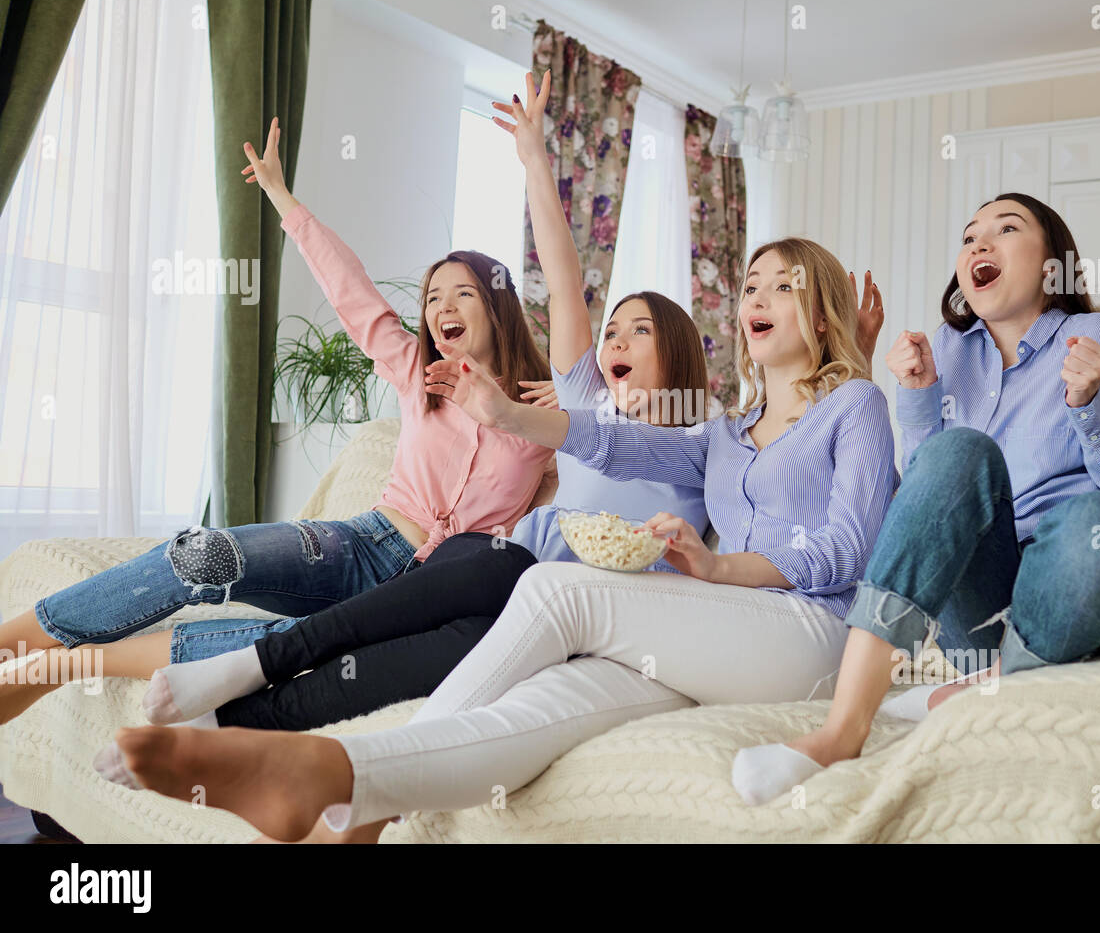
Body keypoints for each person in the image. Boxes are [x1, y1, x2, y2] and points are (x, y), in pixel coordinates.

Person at [104, 227, 898, 843]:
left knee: (554, 587)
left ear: (821, 313)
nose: (754, 294)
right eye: (749, 282)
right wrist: (510, 415)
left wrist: (719, 566)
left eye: (779, 286)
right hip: (714, 644)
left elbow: (847, 552)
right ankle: (344, 792)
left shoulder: (854, 405)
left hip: (814, 636)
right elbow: (614, 440)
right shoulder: (725, 431)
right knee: (537, 710)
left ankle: (290, 727)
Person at [89, 69, 714, 735]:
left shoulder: (710, 449)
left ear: (676, 349)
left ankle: (229, 722)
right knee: (454, 574)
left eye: (637, 331)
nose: (612, 339)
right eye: (610, 328)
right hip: (506, 566)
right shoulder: (581, 405)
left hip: (560, 610)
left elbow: (760, 523)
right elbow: (562, 278)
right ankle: (239, 669)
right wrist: (535, 157)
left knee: (430, 651)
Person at [0, 117, 557, 723]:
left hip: (427, 595)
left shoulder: (543, 415)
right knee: (203, 554)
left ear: (498, 306)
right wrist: (284, 201)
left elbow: (585, 485)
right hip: (362, 544)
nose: (442, 307)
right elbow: (355, 295)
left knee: (298, 647)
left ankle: (71, 665)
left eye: (464, 294)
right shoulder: (415, 369)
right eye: (433, 297)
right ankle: (19, 641)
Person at [731, 192, 1100, 806]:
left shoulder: (1093, 336)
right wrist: (917, 398)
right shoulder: (948, 351)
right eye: (970, 236)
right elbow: (922, 505)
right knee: (957, 451)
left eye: (1006, 229)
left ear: (1054, 262)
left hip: (1092, 578)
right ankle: (844, 728)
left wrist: (1090, 408)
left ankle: (990, 684)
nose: (979, 244)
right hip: (985, 613)